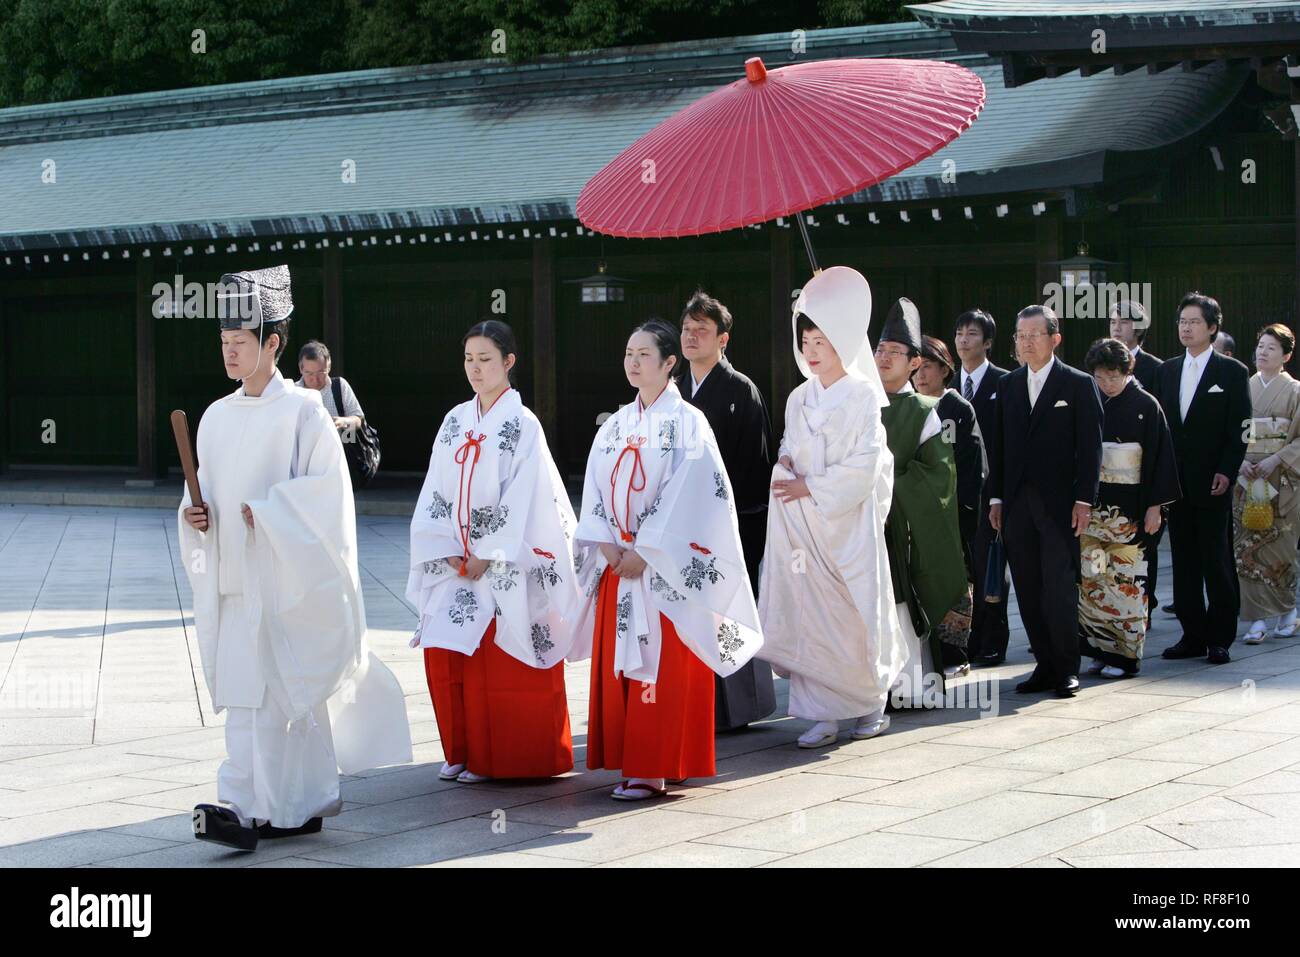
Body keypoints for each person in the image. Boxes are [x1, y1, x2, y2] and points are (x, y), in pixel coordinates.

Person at [179, 265, 411, 852]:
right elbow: (200, 488)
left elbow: (326, 497)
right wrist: (196, 513)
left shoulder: (305, 413)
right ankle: (248, 802)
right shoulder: (214, 416)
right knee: (243, 693)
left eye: (241, 343)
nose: (230, 354)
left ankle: (289, 803)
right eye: (224, 343)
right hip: (235, 575)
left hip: (284, 578)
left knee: (285, 697)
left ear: (273, 343)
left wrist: (273, 513)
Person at [571, 320, 763, 800]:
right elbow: (594, 487)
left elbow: (694, 495)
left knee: (660, 667)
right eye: (628, 353)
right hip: (621, 564)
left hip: (664, 572)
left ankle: (653, 766)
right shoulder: (615, 424)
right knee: (627, 667)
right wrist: (610, 544)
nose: (633, 363)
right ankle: (634, 760)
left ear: (669, 363)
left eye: (644, 354)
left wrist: (646, 549)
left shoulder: (689, 422)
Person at [407, 320, 580, 783]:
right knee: (447, 653)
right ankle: (462, 749)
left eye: (485, 359)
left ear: (508, 362)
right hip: (455, 560)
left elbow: (527, 496)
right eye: (468, 359)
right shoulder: (454, 421)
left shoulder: (523, 424)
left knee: (498, 659)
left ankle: (503, 756)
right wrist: (445, 546)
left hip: (505, 562)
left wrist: (489, 553)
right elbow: (435, 490)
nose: (475, 369)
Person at [758, 266, 906, 747]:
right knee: (812, 612)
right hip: (806, 528)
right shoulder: (799, 396)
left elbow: (869, 461)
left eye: (822, 340)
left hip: (848, 525)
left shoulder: (865, 395)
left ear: (842, 341)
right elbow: (789, 445)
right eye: (807, 341)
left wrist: (814, 487)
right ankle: (820, 712)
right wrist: (786, 463)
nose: (812, 351)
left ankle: (869, 704)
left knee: (853, 609)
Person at [988, 304, 1103, 697]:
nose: (1025, 342)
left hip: (1060, 504)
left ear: (1054, 338)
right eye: (1020, 335)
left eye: (1033, 335)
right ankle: (1044, 664)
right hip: (1017, 504)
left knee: (1059, 586)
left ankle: (1067, 666)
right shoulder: (1007, 385)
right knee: (1028, 585)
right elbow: (999, 447)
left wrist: (1084, 500)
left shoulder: (1077, 384)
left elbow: (1090, 449)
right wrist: (997, 498)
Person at [677, 290, 777, 731]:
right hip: (678, 527)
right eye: (687, 329)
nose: (692, 336)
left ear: (724, 340)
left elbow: (757, 468)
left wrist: (741, 526)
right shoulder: (672, 391)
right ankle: (692, 701)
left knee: (730, 609)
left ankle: (739, 707)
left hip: (731, 523)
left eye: (703, 330)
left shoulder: (741, 391)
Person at [1154, 291, 1250, 664]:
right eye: (1182, 321)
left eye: (1194, 322)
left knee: (1216, 559)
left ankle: (1220, 636)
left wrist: (1227, 470)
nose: (1187, 328)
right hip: (1177, 483)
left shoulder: (1232, 371)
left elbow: (1240, 429)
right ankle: (1191, 635)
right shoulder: (1166, 370)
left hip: (1214, 480)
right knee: (1184, 561)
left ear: (1212, 328)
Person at [1078, 338, 1181, 677]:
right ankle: (1098, 648)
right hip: (1093, 510)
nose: (1106, 383)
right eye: (1100, 377)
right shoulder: (1089, 402)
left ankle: (1125, 655)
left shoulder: (1146, 406)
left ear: (1126, 371)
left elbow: (1161, 460)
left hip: (1131, 510)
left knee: (1126, 582)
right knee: (1093, 581)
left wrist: (1156, 507)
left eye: (1112, 376)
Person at [914, 333, 987, 678]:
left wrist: (956, 508)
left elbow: (971, 466)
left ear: (945, 370)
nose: (921, 375)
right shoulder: (905, 405)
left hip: (951, 513)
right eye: (917, 367)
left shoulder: (957, 409)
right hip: (913, 513)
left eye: (929, 367)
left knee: (955, 583)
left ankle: (955, 652)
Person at [1233, 323, 1300, 642]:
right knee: (1246, 545)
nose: (1262, 351)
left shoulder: (1296, 391)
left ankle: (1288, 611)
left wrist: (1276, 459)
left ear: (1286, 355)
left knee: (1282, 545)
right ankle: (1256, 619)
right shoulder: (1243, 387)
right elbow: (1231, 433)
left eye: (1271, 347)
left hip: (1283, 478)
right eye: (1260, 345)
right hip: (1247, 478)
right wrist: (1240, 461)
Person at [954, 309, 1012, 667]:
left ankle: (993, 640)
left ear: (987, 342)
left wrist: (999, 495)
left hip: (991, 495)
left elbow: (1007, 445)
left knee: (991, 569)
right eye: (959, 333)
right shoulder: (946, 386)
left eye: (972, 334)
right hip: (954, 496)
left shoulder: (1004, 383)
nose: (964, 339)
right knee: (961, 572)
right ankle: (967, 638)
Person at [296, 340, 363, 435]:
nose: (315, 379)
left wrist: (344, 422)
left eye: (321, 373)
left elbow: (359, 420)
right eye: (309, 373)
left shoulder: (340, 386)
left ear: (329, 367)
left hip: (341, 447)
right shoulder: (293, 391)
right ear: (300, 369)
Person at [1109, 300, 1162, 393]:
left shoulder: (1156, 368)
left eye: (1124, 322)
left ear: (1140, 329)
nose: (1116, 328)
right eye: (1113, 322)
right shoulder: (1101, 362)